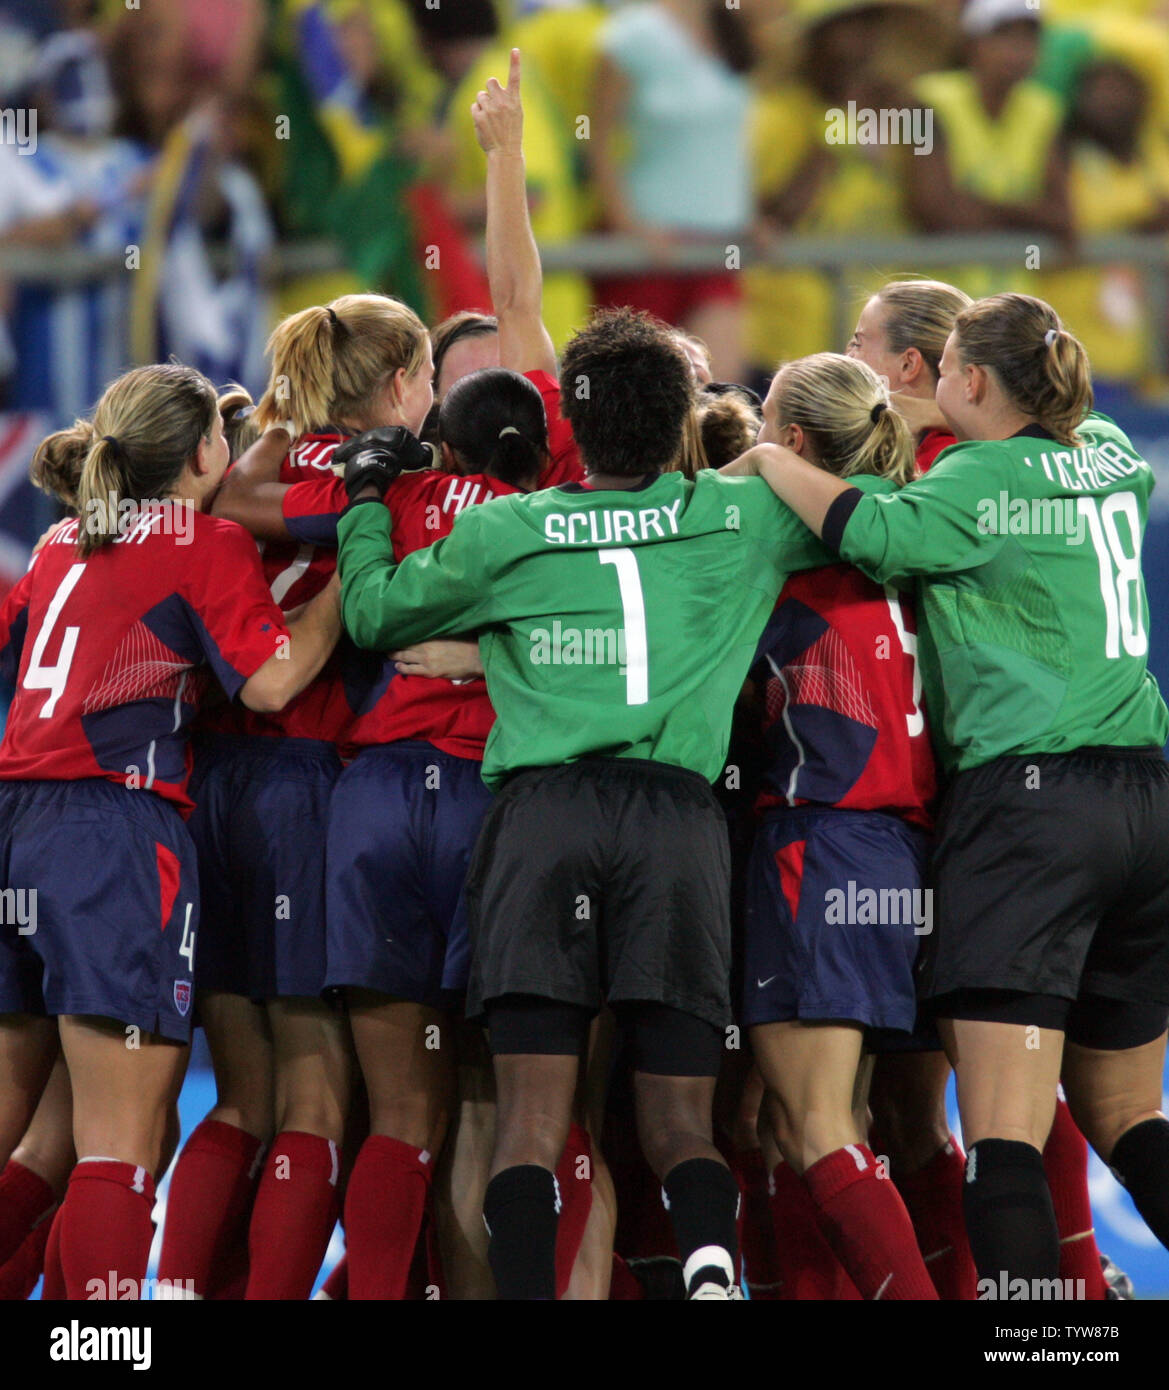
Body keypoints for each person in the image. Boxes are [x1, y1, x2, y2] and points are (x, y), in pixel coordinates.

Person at [331, 304, 856, 1300]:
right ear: (677, 423)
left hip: (541, 819)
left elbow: (369, 613)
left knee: (529, 1118)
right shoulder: (738, 519)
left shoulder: (505, 527)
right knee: (675, 1124)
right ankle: (709, 1273)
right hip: (676, 824)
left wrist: (365, 498)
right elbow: (863, 516)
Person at [743, 291, 1169, 1289]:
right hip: (1142, 801)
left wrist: (769, 458)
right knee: (1126, 1113)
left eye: (936, 374)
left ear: (970, 380)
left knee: (1002, 1133)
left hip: (1030, 813)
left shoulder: (976, 480)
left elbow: (868, 533)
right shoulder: (1107, 447)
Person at [0, 361, 340, 1300]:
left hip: (16, 822)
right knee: (128, 1141)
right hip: (112, 834)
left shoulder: (60, 540)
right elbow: (272, 682)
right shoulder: (204, 538)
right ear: (201, 453)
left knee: (39, 1127)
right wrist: (351, 580)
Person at [159, 293, 433, 1302]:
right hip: (308, 782)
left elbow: (233, 517)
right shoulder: (400, 482)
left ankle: (176, 1297)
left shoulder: (250, 462)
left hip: (210, 782)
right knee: (316, 1101)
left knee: (240, 1096)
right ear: (402, 382)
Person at [732, 352, 937, 1301]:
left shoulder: (784, 562)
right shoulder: (909, 555)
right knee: (813, 1124)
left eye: (766, 418)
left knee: (816, 1128)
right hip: (896, 853)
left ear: (797, 444)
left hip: (820, 846)